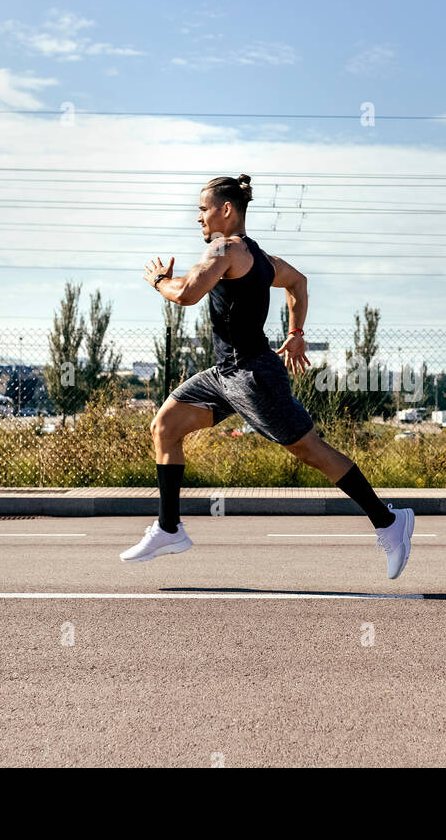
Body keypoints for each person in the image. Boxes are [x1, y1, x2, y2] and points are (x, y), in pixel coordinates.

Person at [119, 174, 415, 578]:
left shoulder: (223, 250)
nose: (198, 218)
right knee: (165, 426)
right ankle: (169, 529)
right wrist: (296, 334)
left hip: (254, 375)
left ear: (226, 210)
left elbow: (187, 293)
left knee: (311, 451)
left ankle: (389, 522)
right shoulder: (259, 258)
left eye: (203, 209)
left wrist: (157, 280)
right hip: (224, 374)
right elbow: (298, 282)